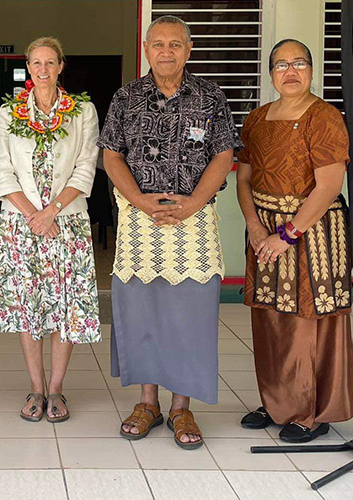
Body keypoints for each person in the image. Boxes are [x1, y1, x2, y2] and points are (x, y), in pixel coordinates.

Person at [97, 16, 240, 449]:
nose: (166, 52)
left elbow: (224, 154)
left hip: (193, 221)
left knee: (189, 315)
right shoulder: (127, 97)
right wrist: (139, 199)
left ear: (188, 49)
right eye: (158, 44)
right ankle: (147, 403)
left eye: (174, 44)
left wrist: (195, 201)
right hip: (141, 220)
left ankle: (181, 406)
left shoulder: (210, 97)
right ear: (146, 48)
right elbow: (110, 154)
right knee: (141, 311)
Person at [236, 39, 353, 443]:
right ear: (270, 73)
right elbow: (244, 178)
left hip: (312, 232)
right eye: (281, 65)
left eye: (299, 63)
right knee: (270, 318)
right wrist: (255, 227)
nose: (290, 71)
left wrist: (288, 234)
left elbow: (328, 186)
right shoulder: (256, 118)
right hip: (263, 228)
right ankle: (276, 403)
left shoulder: (324, 117)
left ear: (311, 70)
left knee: (306, 322)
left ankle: (308, 411)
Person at [0, 37, 101, 423]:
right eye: (36, 62)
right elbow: (2, 171)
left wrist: (52, 211)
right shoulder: (10, 112)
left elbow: (86, 166)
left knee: (65, 303)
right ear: (28, 66)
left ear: (60, 66)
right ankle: (35, 388)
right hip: (20, 225)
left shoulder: (82, 111)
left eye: (49, 62)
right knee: (29, 304)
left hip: (66, 222)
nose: (42, 69)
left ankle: (56, 389)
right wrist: (33, 215)